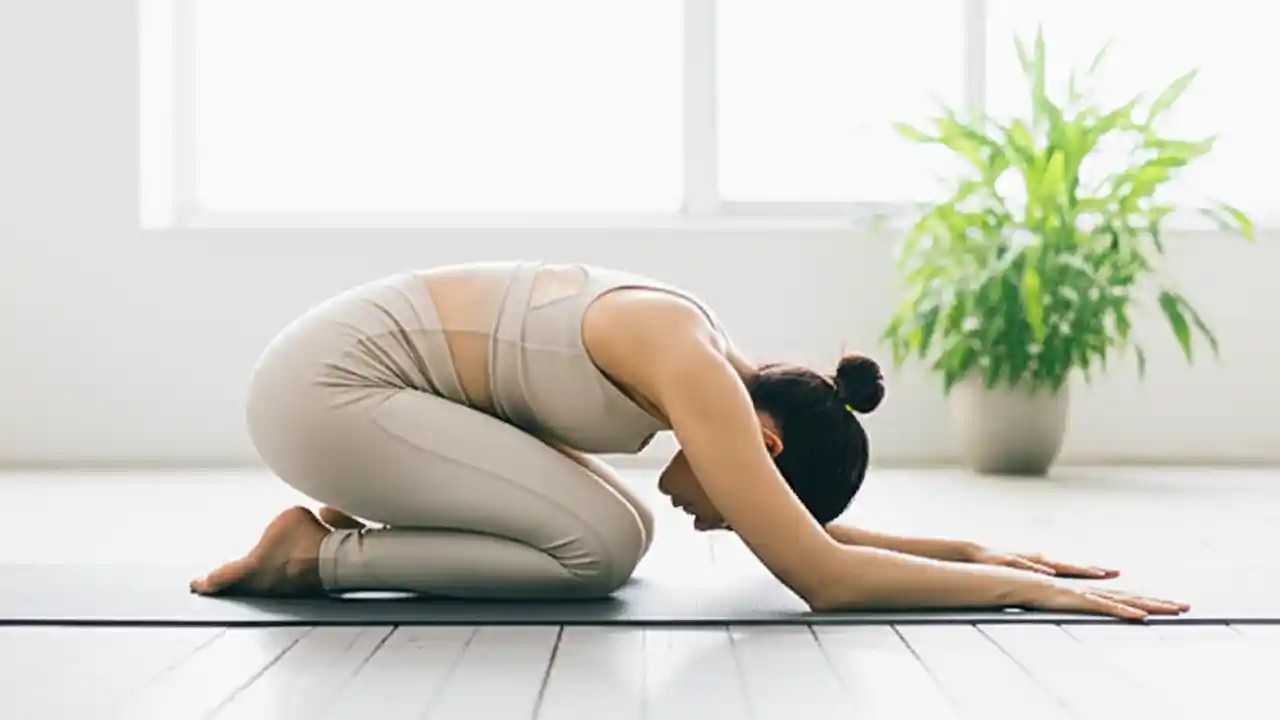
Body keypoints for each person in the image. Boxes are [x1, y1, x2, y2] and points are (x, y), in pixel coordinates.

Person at [191, 261, 1188, 620]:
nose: (722, 520)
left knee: (613, 526)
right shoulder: (698, 372)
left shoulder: (711, 366)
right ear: (762, 440)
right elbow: (822, 576)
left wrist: (974, 552)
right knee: (602, 548)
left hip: (346, 386)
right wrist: (1034, 589)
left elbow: (815, 547)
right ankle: (316, 557)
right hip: (323, 391)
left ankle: (317, 548)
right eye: (746, 489)